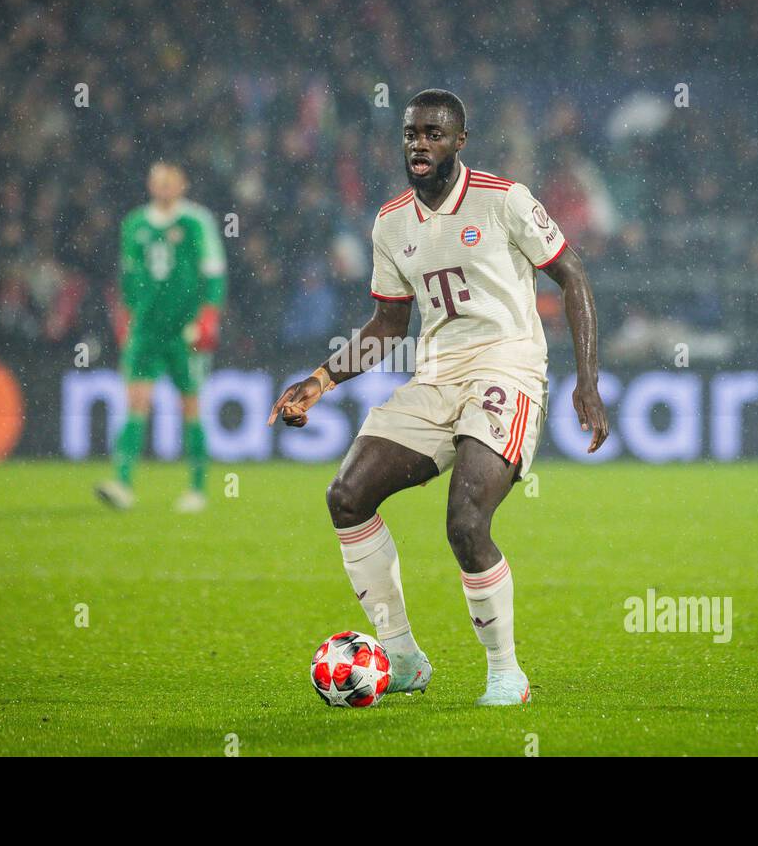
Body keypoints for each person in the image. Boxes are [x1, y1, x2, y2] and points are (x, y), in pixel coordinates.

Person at [269, 90, 609, 705]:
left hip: (508, 369)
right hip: (435, 378)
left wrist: (588, 379)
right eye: (411, 134)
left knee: (466, 520)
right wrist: (320, 380)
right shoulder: (390, 222)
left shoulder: (504, 200)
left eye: (433, 133)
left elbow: (573, 274)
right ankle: (401, 657)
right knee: (346, 496)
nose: (419, 144)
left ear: (459, 142)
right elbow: (387, 328)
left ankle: (506, 673)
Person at [97, 163, 226, 512]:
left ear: (182, 184)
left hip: (184, 330)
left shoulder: (196, 222)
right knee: (136, 402)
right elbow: (127, 277)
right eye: (158, 182)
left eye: (170, 182)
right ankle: (122, 484)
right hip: (146, 329)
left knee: (190, 405)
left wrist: (207, 318)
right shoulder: (135, 223)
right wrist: (125, 320)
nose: (163, 187)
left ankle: (197, 489)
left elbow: (213, 274)